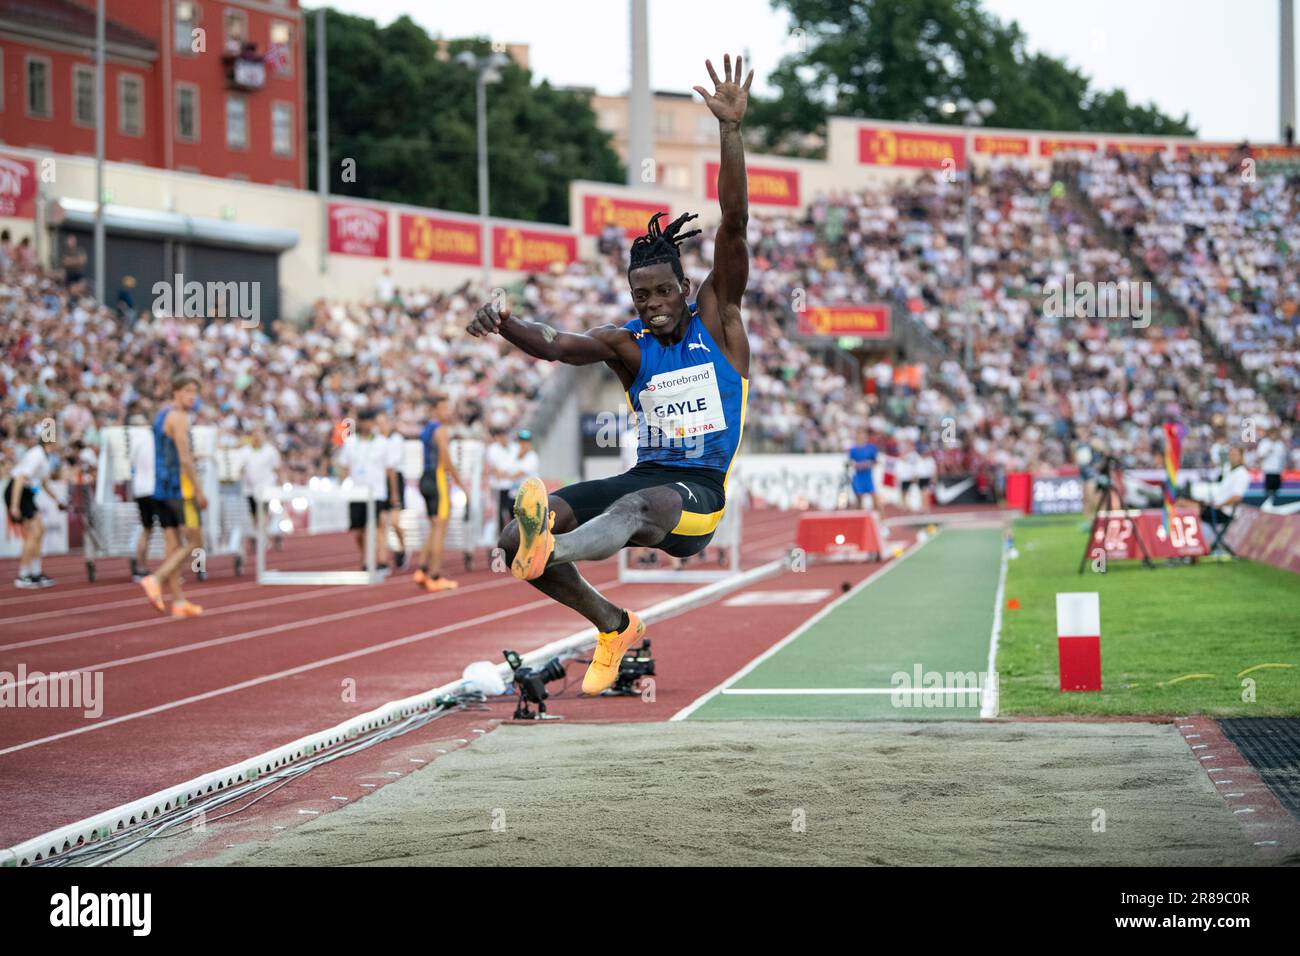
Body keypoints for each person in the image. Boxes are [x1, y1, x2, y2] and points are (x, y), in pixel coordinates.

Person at [468, 54, 753, 696]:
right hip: (644, 476)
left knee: (616, 512)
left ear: (685, 287)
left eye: (659, 292)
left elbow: (734, 223)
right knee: (514, 536)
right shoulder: (625, 346)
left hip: (697, 498)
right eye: (638, 295)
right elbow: (559, 347)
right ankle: (613, 623)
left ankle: (552, 549)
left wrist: (730, 132)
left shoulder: (720, 319)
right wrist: (506, 322)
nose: (649, 304)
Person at [139, 373, 207, 617]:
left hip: (161, 487)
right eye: (188, 391)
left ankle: (178, 602)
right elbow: (184, 459)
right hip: (180, 490)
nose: (193, 397)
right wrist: (199, 491)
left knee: (173, 546)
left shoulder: (162, 415)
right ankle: (155, 578)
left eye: (195, 392)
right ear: (176, 392)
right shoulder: (179, 418)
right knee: (196, 542)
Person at [414, 395, 468, 591]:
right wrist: (461, 485)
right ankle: (435, 576)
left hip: (425, 478)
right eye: (444, 408)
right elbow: (445, 459)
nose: (448, 412)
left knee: (433, 526)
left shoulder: (427, 429)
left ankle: (421, 569)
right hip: (437, 480)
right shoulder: (441, 430)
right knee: (440, 530)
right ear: (435, 410)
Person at [338, 409, 391, 571]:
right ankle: (365, 556)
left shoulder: (382, 442)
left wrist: (393, 494)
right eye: (364, 421)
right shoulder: (351, 442)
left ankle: (373, 561)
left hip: (376, 492)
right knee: (359, 531)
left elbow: (390, 470)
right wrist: (343, 485)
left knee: (373, 527)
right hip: (357, 492)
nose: (367, 424)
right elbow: (343, 466)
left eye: (369, 421)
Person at [6, 431, 59, 588]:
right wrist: (14, 506)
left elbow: (44, 483)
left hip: (26, 494)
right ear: (51, 443)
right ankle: (23, 575)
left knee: (39, 531)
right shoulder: (37, 454)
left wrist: (58, 500)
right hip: (18, 492)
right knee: (33, 533)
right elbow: (20, 478)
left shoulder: (45, 457)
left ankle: (35, 572)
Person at [238, 424, 283, 551]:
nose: (257, 437)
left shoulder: (270, 451)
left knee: (262, 514)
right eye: (254, 434)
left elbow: (278, 468)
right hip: (249, 489)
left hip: (266, 488)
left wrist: (280, 484)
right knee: (252, 516)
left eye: (259, 434)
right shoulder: (244, 451)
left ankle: (262, 538)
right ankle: (254, 537)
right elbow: (240, 469)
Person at [127, 410, 159, 582]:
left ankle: (140, 569)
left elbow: (131, 463)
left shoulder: (135, 441)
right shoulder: (156, 440)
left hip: (139, 490)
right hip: (155, 489)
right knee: (171, 530)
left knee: (146, 529)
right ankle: (171, 572)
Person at [377, 411, 408, 569]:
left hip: (395, 480)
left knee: (395, 522)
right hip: (381, 481)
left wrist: (395, 493)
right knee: (382, 524)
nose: (381, 426)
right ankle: (382, 559)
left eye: (383, 422)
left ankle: (402, 548)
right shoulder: (376, 440)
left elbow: (392, 466)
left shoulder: (396, 439)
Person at [847, 428, 877, 510]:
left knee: (875, 498)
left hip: (868, 476)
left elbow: (875, 461)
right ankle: (859, 517)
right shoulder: (853, 449)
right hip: (858, 476)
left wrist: (869, 463)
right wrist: (857, 465)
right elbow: (849, 463)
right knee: (859, 499)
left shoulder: (871, 448)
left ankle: (877, 517)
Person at [1257, 427, 1288, 504]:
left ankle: (1274, 506)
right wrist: (1268, 451)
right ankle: (1266, 505)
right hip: (1268, 470)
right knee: (1267, 491)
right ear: (1269, 434)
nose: (1274, 435)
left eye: (1276, 434)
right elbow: (1260, 456)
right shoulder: (1264, 443)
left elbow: (1283, 457)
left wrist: (1283, 467)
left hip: (1278, 471)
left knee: (1276, 491)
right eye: (1273, 434)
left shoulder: (1280, 444)